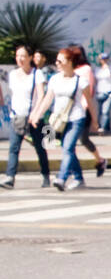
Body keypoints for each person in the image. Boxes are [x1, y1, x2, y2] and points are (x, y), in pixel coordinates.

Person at [30, 48, 95, 191]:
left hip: (76, 118)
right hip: (60, 120)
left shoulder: (80, 81)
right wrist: (37, 114)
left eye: (60, 61)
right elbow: (48, 99)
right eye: (57, 60)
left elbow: (90, 102)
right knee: (69, 150)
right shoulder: (54, 79)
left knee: (67, 148)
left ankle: (62, 178)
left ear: (70, 62)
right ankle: (79, 179)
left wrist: (95, 122)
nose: (57, 63)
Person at [2, 44, 51, 188]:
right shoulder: (13, 75)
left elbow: (41, 95)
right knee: (14, 148)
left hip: (34, 118)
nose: (20, 59)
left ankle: (45, 175)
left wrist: (35, 114)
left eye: (23, 56)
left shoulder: (37, 74)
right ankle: (10, 177)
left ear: (30, 57)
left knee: (39, 148)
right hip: (17, 117)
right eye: (18, 56)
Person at [68, 46, 108, 177]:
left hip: (82, 110)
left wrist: (86, 109)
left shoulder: (86, 69)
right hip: (68, 111)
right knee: (73, 141)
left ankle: (98, 160)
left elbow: (88, 91)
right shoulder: (70, 70)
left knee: (81, 139)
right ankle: (98, 161)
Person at [93, 52, 111, 134]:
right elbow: (95, 81)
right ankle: (107, 129)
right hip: (100, 92)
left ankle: (102, 128)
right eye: (102, 59)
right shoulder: (97, 69)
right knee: (101, 112)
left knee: (105, 111)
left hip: (110, 92)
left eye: (105, 59)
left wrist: (108, 69)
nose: (104, 61)